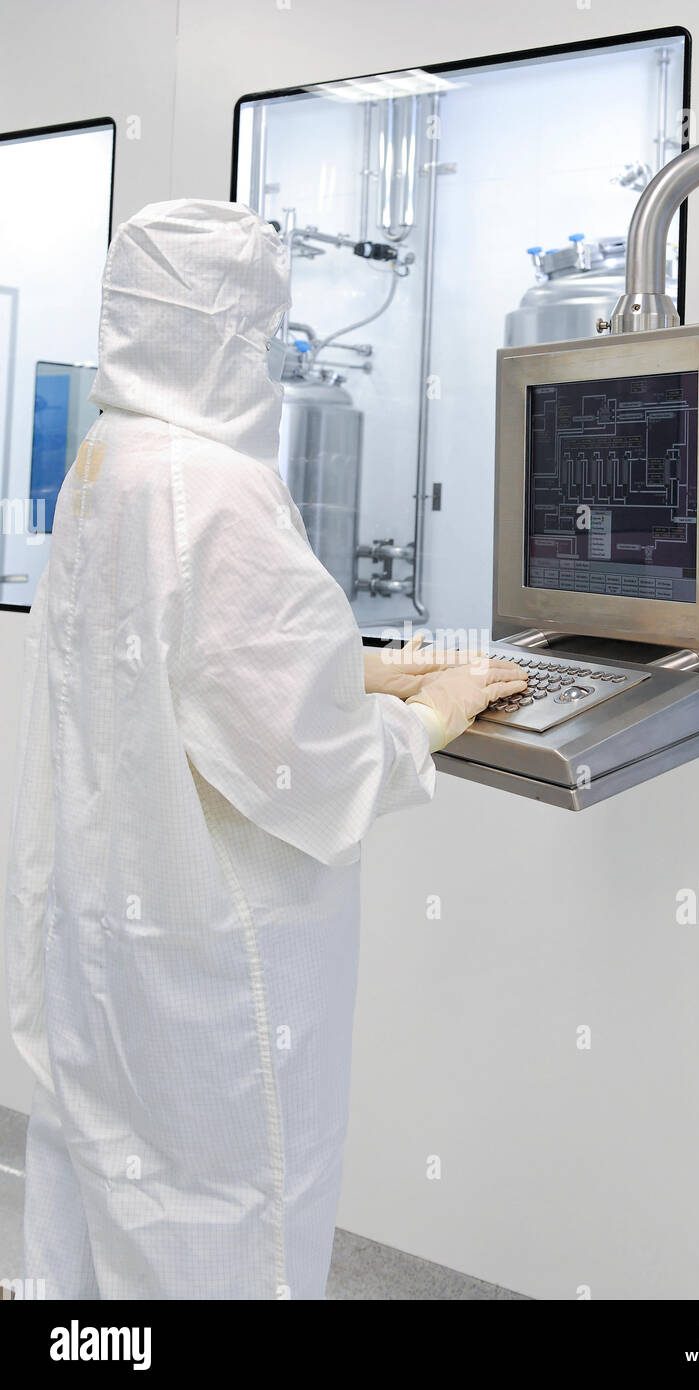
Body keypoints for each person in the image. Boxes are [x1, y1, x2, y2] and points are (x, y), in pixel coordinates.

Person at [4, 200, 526, 1300]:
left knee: (104, 1200)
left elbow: (161, 666)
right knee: (227, 1217)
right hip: (210, 964)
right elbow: (297, 753)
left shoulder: (113, 458)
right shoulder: (217, 485)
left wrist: (367, 664)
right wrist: (430, 715)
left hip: (104, 941)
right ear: (237, 331)